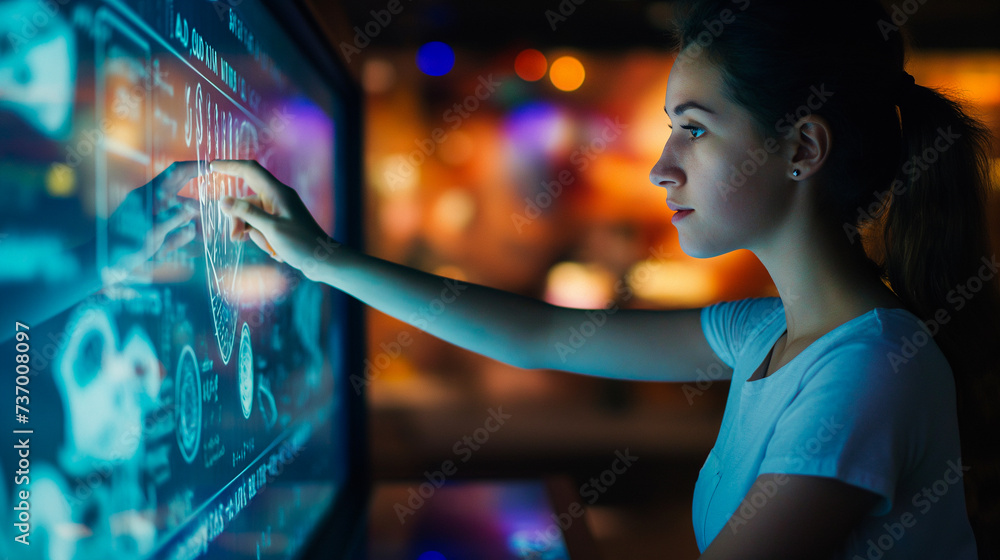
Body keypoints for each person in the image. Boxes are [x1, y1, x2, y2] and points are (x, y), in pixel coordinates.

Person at [210, 0, 1000, 557]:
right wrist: (320, 258)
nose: (662, 167)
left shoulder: (866, 370)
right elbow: (541, 335)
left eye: (694, 129)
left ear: (802, 148)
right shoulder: (768, 333)